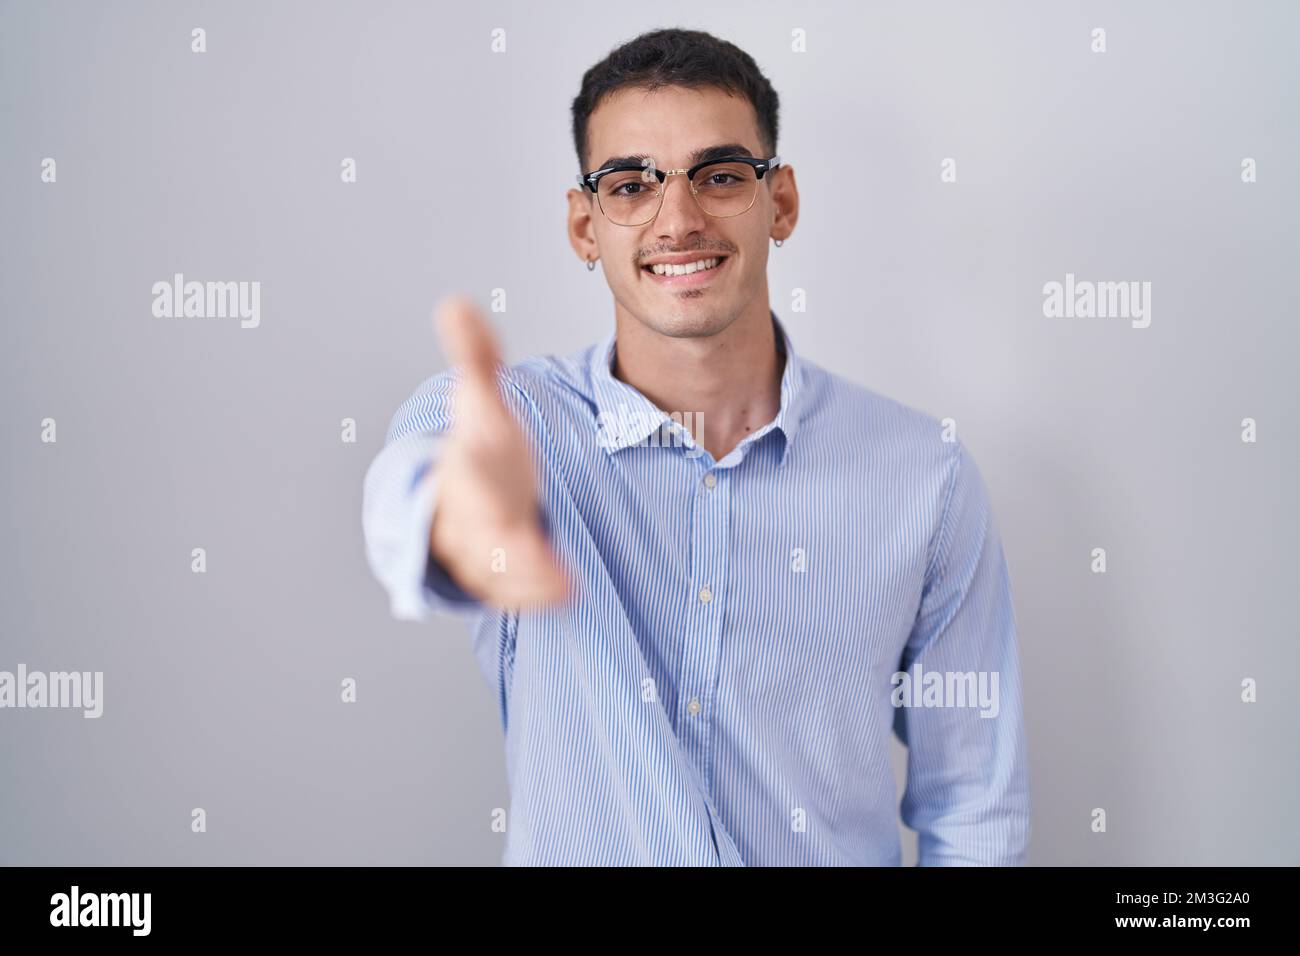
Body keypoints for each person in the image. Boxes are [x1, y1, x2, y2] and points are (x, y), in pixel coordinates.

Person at [362, 28, 1029, 865]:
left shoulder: (926, 477)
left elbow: (973, 805)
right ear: (584, 224)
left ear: (779, 202)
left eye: (718, 177)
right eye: (631, 184)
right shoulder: (509, 427)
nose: (678, 221)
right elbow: (412, 490)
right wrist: (463, 530)